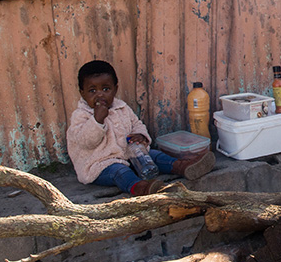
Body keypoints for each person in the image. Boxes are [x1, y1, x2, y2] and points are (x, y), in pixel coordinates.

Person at [67, 60, 215, 196]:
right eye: (92, 91)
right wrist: (97, 120)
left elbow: (137, 124)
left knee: (154, 154)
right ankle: (140, 187)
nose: (100, 95)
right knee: (119, 171)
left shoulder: (122, 108)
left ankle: (183, 166)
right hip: (100, 166)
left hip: (129, 156)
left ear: (115, 89)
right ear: (82, 93)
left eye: (106, 89)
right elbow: (85, 141)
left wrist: (140, 135)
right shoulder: (81, 115)